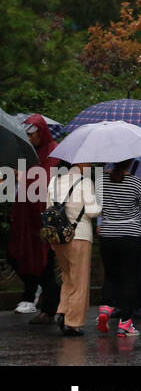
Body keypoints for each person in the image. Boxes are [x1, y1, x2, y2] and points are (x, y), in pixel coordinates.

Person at [95, 160, 141, 338]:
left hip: (107, 235)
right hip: (130, 236)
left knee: (111, 274)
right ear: (130, 163)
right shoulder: (136, 182)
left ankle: (105, 309)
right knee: (129, 278)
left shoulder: (101, 181)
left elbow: (97, 208)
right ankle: (125, 324)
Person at [9, 116, 60, 322]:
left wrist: (22, 176)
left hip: (45, 218)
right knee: (18, 256)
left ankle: (50, 308)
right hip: (27, 217)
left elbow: (45, 182)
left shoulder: (54, 153)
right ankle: (48, 305)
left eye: (32, 133)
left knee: (45, 263)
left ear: (41, 132)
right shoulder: (33, 154)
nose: (29, 138)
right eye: (27, 134)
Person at [47, 160, 101, 337]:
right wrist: (100, 203)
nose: (91, 165)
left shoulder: (54, 181)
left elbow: (48, 209)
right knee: (79, 280)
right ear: (80, 163)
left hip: (58, 237)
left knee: (67, 276)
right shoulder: (85, 182)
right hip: (80, 235)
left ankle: (62, 311)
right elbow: (92, 212)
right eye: (89, 162)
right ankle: (72, 322)